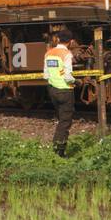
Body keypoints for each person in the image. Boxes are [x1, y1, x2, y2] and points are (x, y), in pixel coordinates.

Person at [43, 29, 77, 157]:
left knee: (60, 119)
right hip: (65, 91)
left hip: (52, 90)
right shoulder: (66, 54)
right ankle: (59, 151)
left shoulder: (49, 53)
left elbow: (46, 75)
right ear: (71, 41)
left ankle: (57, 147)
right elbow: (68, 76)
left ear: (57, 39)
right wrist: (76, 81)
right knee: (65, 122)